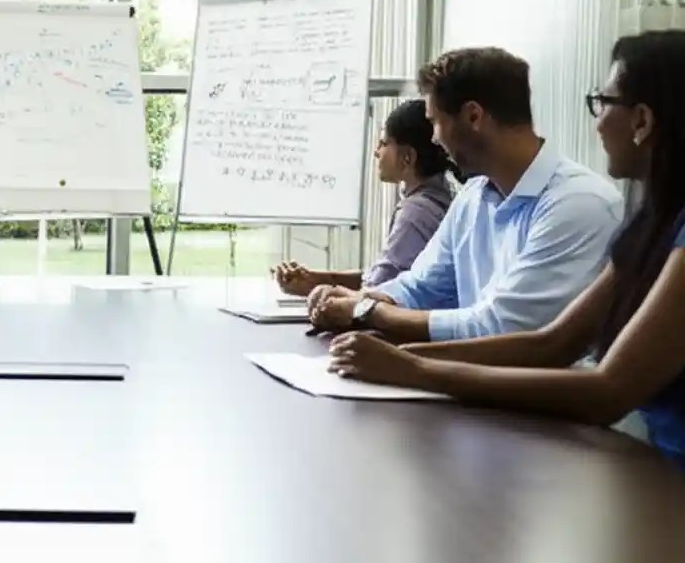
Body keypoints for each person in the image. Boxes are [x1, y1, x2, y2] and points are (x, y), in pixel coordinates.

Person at [328, 31, 685, 468]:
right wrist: (396, 358)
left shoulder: (588, 203)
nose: (596, 122)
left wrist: (410, 367)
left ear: (643, 120)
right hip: (646, 469)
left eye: (603, 103)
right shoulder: (653, 222)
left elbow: (607, 391)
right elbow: (552, 343)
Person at [306, 47, 623, 343]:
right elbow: (420, 287)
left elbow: (502, 328)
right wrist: (358, 299)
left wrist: (369, 312)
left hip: (544, 398)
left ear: (473, 117)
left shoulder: (580, 205)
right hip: (479, 386)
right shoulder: (473, 197)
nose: (434, 138)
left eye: (435, 122)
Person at [273, 99, 457, 294]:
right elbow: (379, 275)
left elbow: (374, 293)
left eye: (384, 143)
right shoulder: (440, 197)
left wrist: (317, 290)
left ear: (407, 157)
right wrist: (314, 279)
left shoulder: (415, 213)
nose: (377, 152)